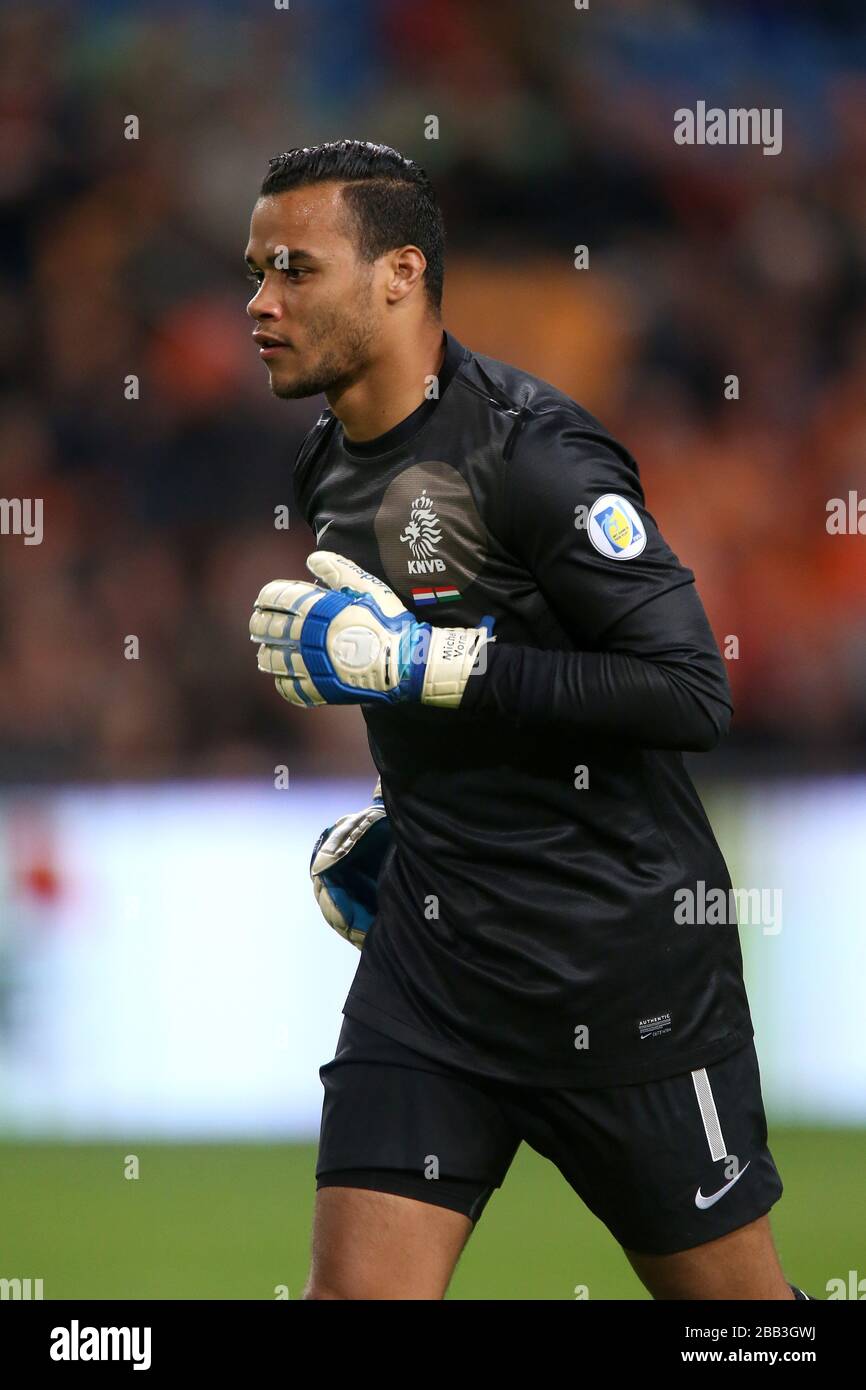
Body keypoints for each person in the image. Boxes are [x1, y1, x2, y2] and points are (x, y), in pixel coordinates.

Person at [244, 139, 810, 1301]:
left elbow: (687, 690)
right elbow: (428, 700)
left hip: (619, 973)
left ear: (399, 274)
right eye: (255, 271)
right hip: (435, 975)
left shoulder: (533, 454)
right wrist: (414, 812)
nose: (260, 303)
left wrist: (434, 663)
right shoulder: (324, 469)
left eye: (295, 270)